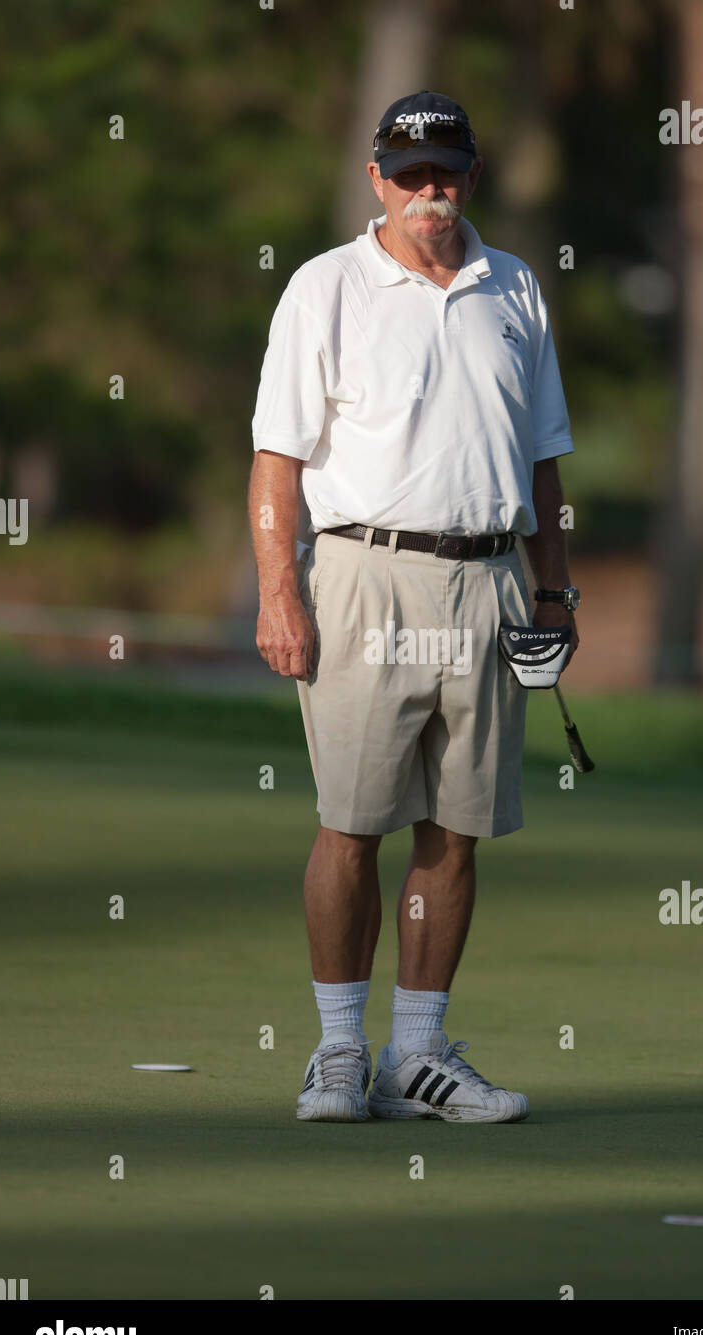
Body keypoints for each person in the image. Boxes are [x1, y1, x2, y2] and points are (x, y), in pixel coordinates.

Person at [249, 90, 579, 1124]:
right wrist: (279, 591)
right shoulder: (325, 286)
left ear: (471, 176)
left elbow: (542, 459)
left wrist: (553, 588)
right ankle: (339, 1052)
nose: (427, 193)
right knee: (350, 822)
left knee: (456, 826)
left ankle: (418, 1055)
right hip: (364, 575)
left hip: (489, 578)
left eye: (444, 174)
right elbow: (276, 461)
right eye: (408, 175)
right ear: (377, 180)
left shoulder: (513, 286)